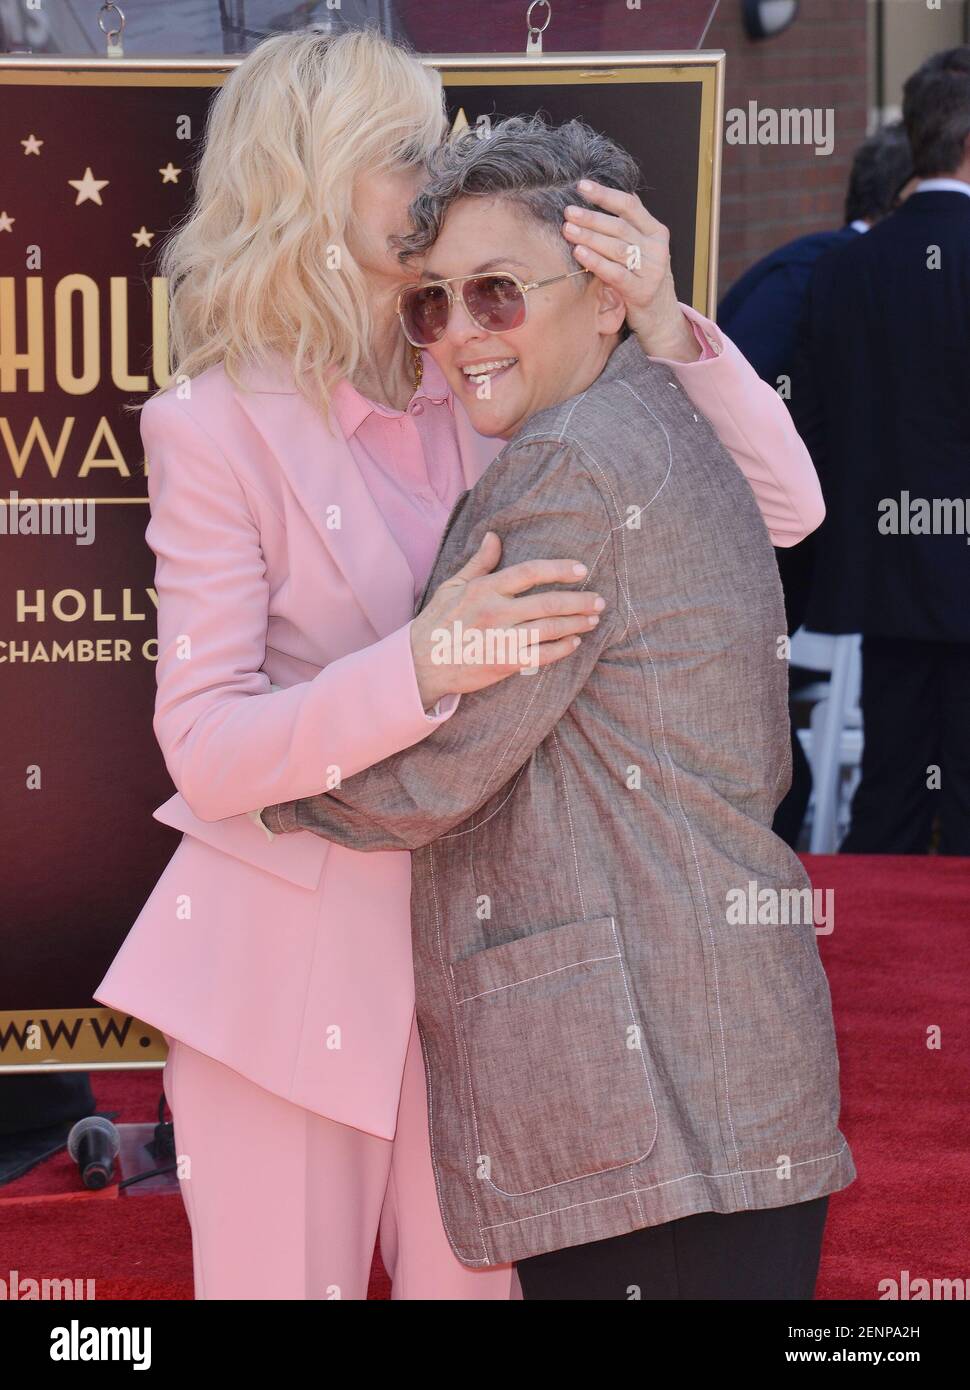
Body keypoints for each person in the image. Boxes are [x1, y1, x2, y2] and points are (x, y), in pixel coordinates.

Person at [94, 28, 824, 1301]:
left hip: (501, 984)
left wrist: (660, 317)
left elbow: (783, 505)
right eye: (403, 154)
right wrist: (421, 660)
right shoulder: (210, 426)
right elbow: (203, 746)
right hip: (281, 980)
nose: (438, 178)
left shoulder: (489, 369)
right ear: (307, 181)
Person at [261, 115, 854, 1300]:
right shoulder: (658, 425)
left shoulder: (568, 467)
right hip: (710, 1079)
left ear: (602, 296)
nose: (458, 337)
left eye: (495, 293)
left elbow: (434, 771)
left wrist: (251, 771)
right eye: (431, 303)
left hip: (647, 1097)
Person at [792, 47, 970, 854]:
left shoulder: (844, 270)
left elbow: (816, 431)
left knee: (891, 800)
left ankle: (868, 978)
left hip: (886, 586)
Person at [718, 122, 913, 847]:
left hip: (782, 579)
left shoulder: (802, 271)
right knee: (768, 774)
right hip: (750, 573)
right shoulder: (812, 282)